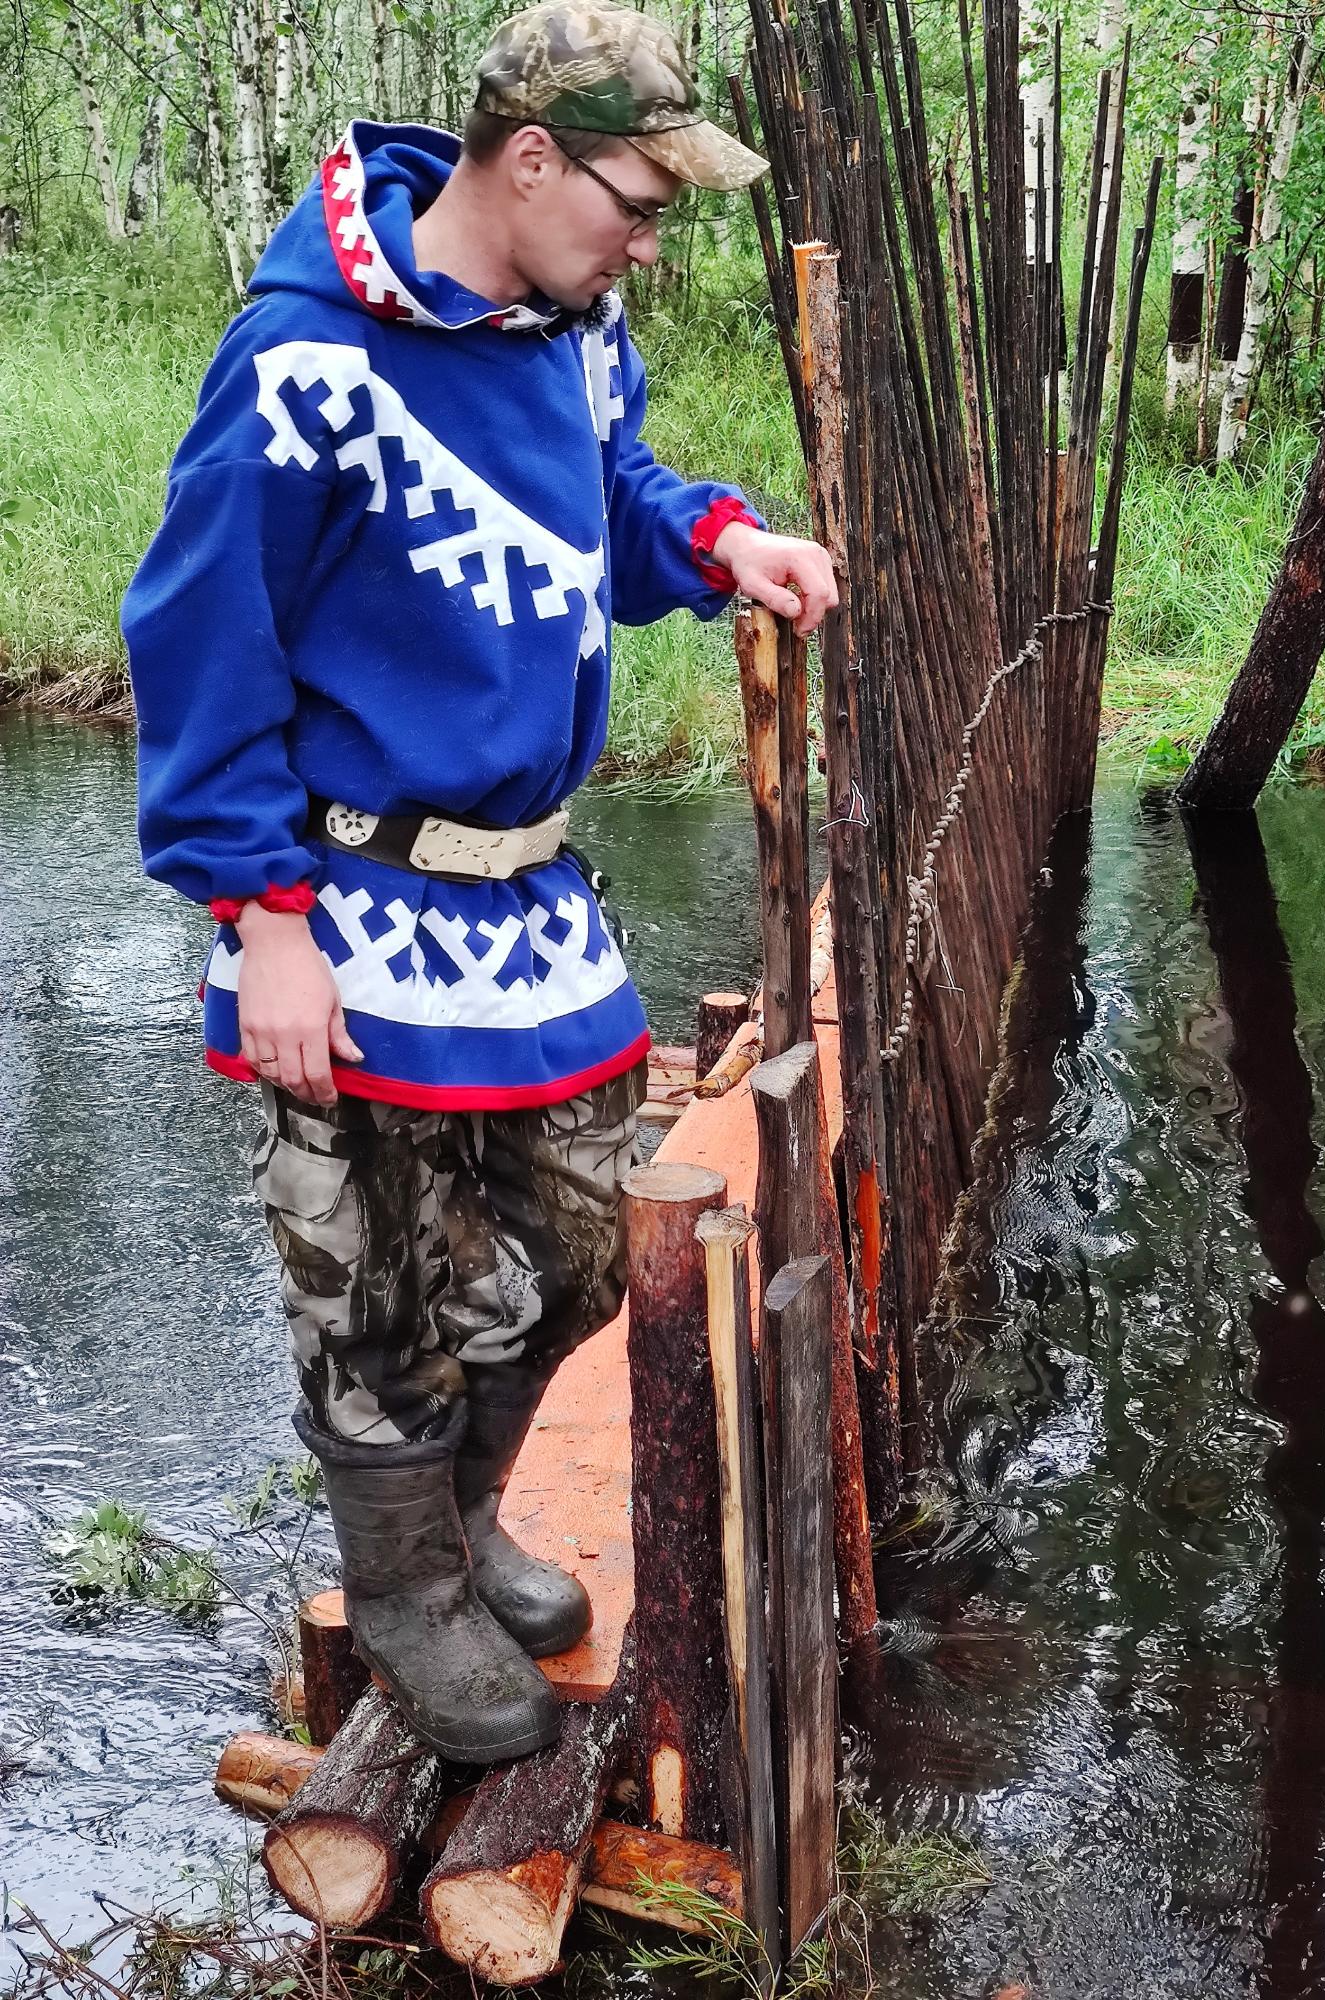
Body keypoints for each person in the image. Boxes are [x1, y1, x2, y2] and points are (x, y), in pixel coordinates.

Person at [122, 0, 836, 1765]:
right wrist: (263, 919)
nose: (650, 243)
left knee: (588, 1242)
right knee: (372, 1277)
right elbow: (198, 637)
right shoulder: (305, 363)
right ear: (528, 160)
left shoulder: (572, 333)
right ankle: (408, 1595)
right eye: (636, 202)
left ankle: (470, 1522)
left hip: (526, 911)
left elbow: (613, 491)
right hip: (344, 910)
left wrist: (715, 540)